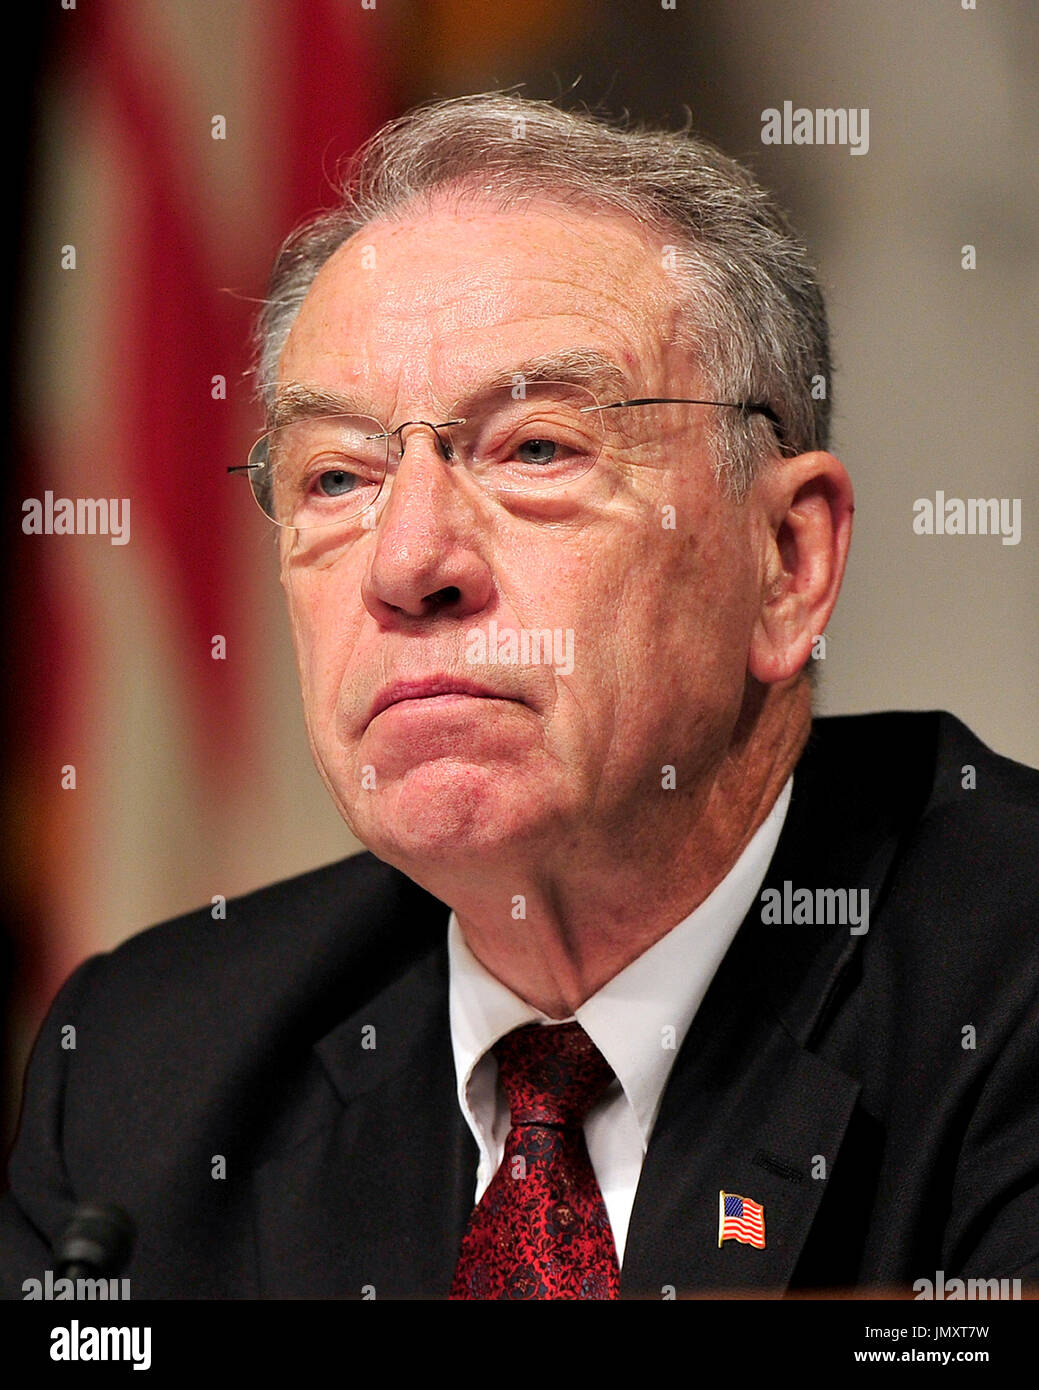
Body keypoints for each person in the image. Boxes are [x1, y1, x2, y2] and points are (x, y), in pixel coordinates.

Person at [2, 92, 1037, 1301]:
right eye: (337, 475)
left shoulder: (1006, 972)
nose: (407, 563)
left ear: (785, 562)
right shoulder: (146, 1070)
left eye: (536, 448)